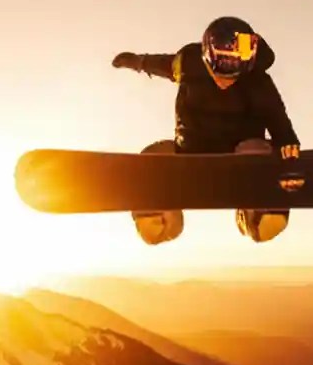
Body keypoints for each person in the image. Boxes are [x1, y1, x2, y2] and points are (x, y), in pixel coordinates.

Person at [111, 15, 302, 245]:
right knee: (151, 158)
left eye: (235, 68)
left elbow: (276, 116)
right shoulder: (188, 63)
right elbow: (163, 64)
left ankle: (256, 214)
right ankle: (164, 219)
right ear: (207, 55)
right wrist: (137, 62)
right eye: (221, 67)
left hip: (239, 154)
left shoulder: (258, 82)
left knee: (256, 151)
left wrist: (287, 148)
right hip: (192, 150)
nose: (226, 77)